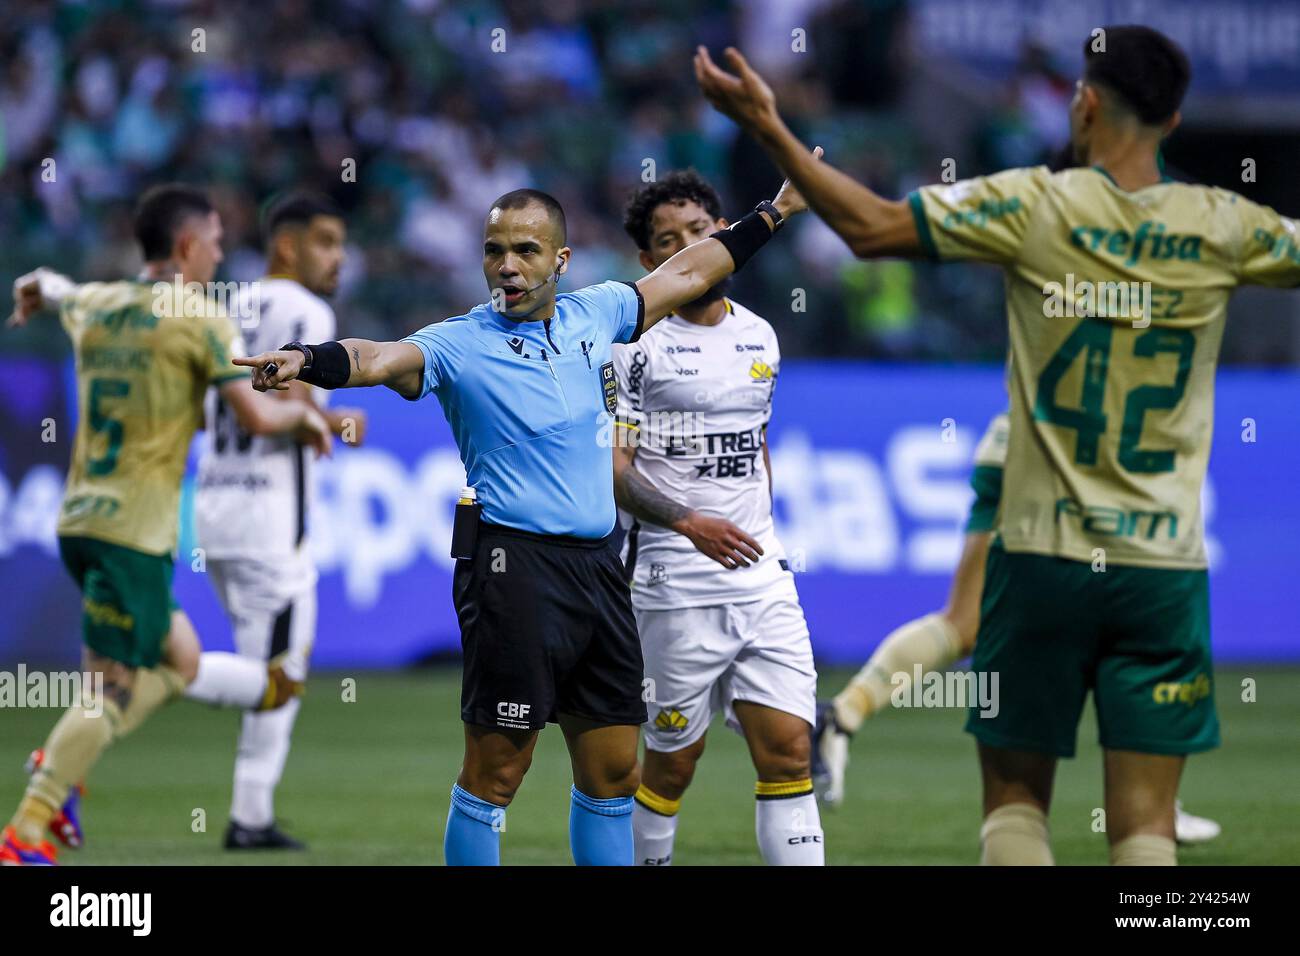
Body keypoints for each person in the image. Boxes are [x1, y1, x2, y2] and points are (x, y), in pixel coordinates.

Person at [696, 24, 1298, 864]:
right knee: (1146, 831)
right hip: (1164, 566)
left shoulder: (1034, 203)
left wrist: (770, 127)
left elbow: (868, 227)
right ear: (1176, 118)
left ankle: (865, 721)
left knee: (1015, 813)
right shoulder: (1227, 224)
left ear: (1085, 104)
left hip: (1041, 554)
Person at [233, 177, 816, 865]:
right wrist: (308, 361)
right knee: (498, 773)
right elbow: (378, 356)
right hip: (512, 571)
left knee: (613, 772)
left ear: (561, 261)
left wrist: (774, 212)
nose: (507, 265)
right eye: (494, 250)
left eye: (526, 250)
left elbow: (692, 269)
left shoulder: (598, 315)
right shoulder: (457, 343)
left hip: (601, 569)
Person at [2, 184, 330, 865]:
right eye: (213, 242)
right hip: (134, 534)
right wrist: (307, 415)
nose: (219, 255)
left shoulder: (100, 302)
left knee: (172, 663)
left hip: (78, 521)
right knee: (120, 690)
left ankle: (64, 768)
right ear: (186, 247)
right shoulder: (202, 321)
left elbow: (58, 288)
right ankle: (26, 827)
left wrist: (36, 284)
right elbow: (259, 416)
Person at [812, 411, 1222, 844]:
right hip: (1080, 453)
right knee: (1120, 613)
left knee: (964, 621)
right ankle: (1148, 801)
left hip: (1018, 441)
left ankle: (842, 715)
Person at [614, 169, 822, 865]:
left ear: (723, 233)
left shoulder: (761, 335)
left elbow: (757, 442)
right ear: (651, 264)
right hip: (675, 582)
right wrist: (688, 522)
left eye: (699, 232)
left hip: (763, 576)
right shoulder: (635, 346)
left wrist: (761, 532)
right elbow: (612, 467)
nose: (689, 248)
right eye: (668, 242)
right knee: (674, 762)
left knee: (791, 749)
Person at [187, 191, 368, 850]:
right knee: (279, 674)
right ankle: (155, 674)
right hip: (270, 518)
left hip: (214, 507)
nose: (339, 258)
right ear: (287, 245)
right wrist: (342, 420)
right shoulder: (307, 310)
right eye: (326, 242)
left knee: (263, 666)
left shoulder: (228, 304)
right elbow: (296, 408)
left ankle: (251, 815)